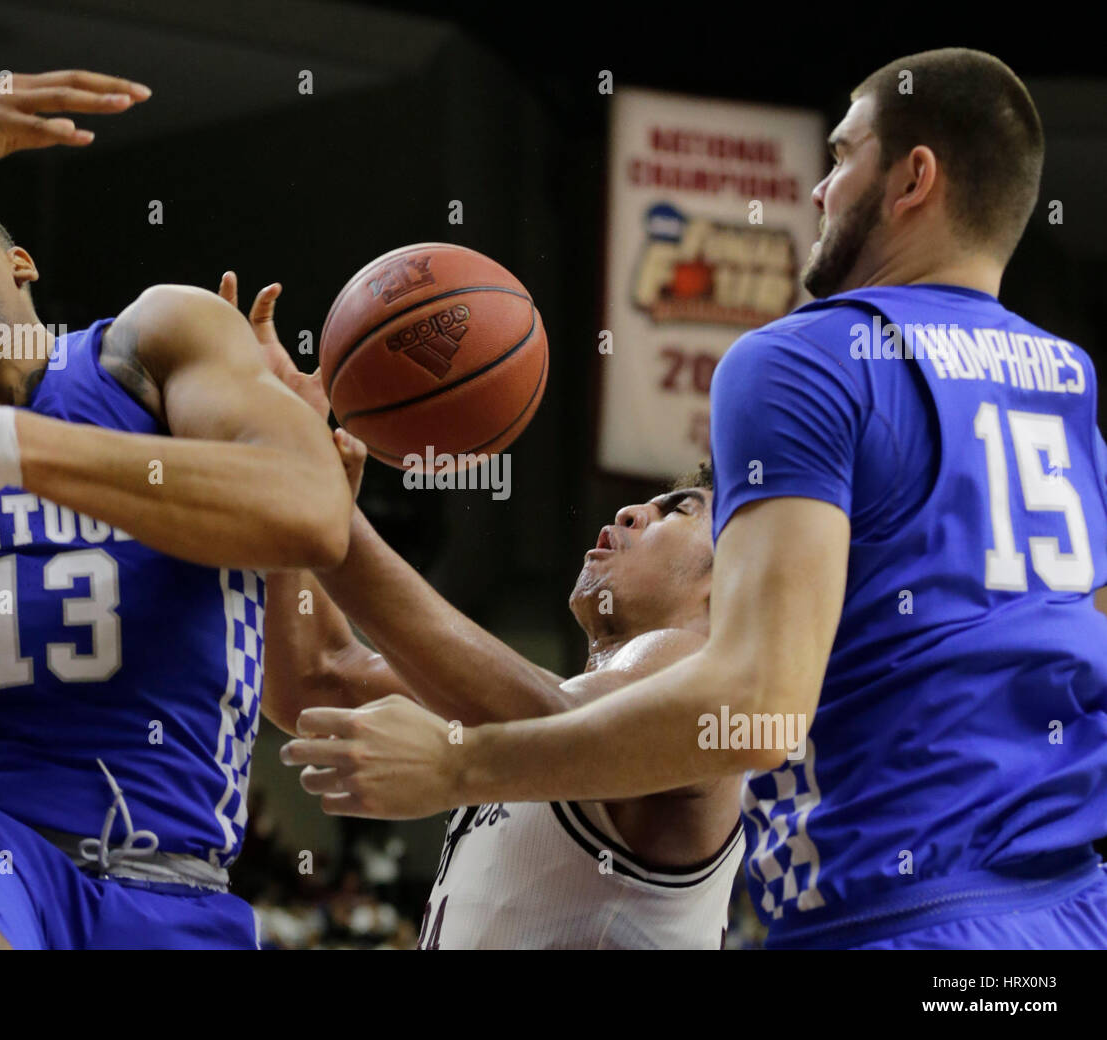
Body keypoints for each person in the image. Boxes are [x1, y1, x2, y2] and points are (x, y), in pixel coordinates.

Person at [281, 48, 1107, 950]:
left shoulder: (807, 356)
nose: (819, 190)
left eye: (841, 155)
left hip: (900, 920)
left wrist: (461, 764)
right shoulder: (1065, 383)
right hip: (1066, 913)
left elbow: (758, 700)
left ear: (915, 178)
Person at [0, 71, 353, 949]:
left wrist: (5, 450)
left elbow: (312, 514)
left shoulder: (152, 343)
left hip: (175, 884)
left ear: (20, 265)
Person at [247, 299, 742, 945]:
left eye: (676, 509)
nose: (628, 513)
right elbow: (316, 681)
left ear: (729, 576)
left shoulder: (694, 678)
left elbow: (566, 725)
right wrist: (290, 461)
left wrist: (332, 517)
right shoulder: (524, 711)